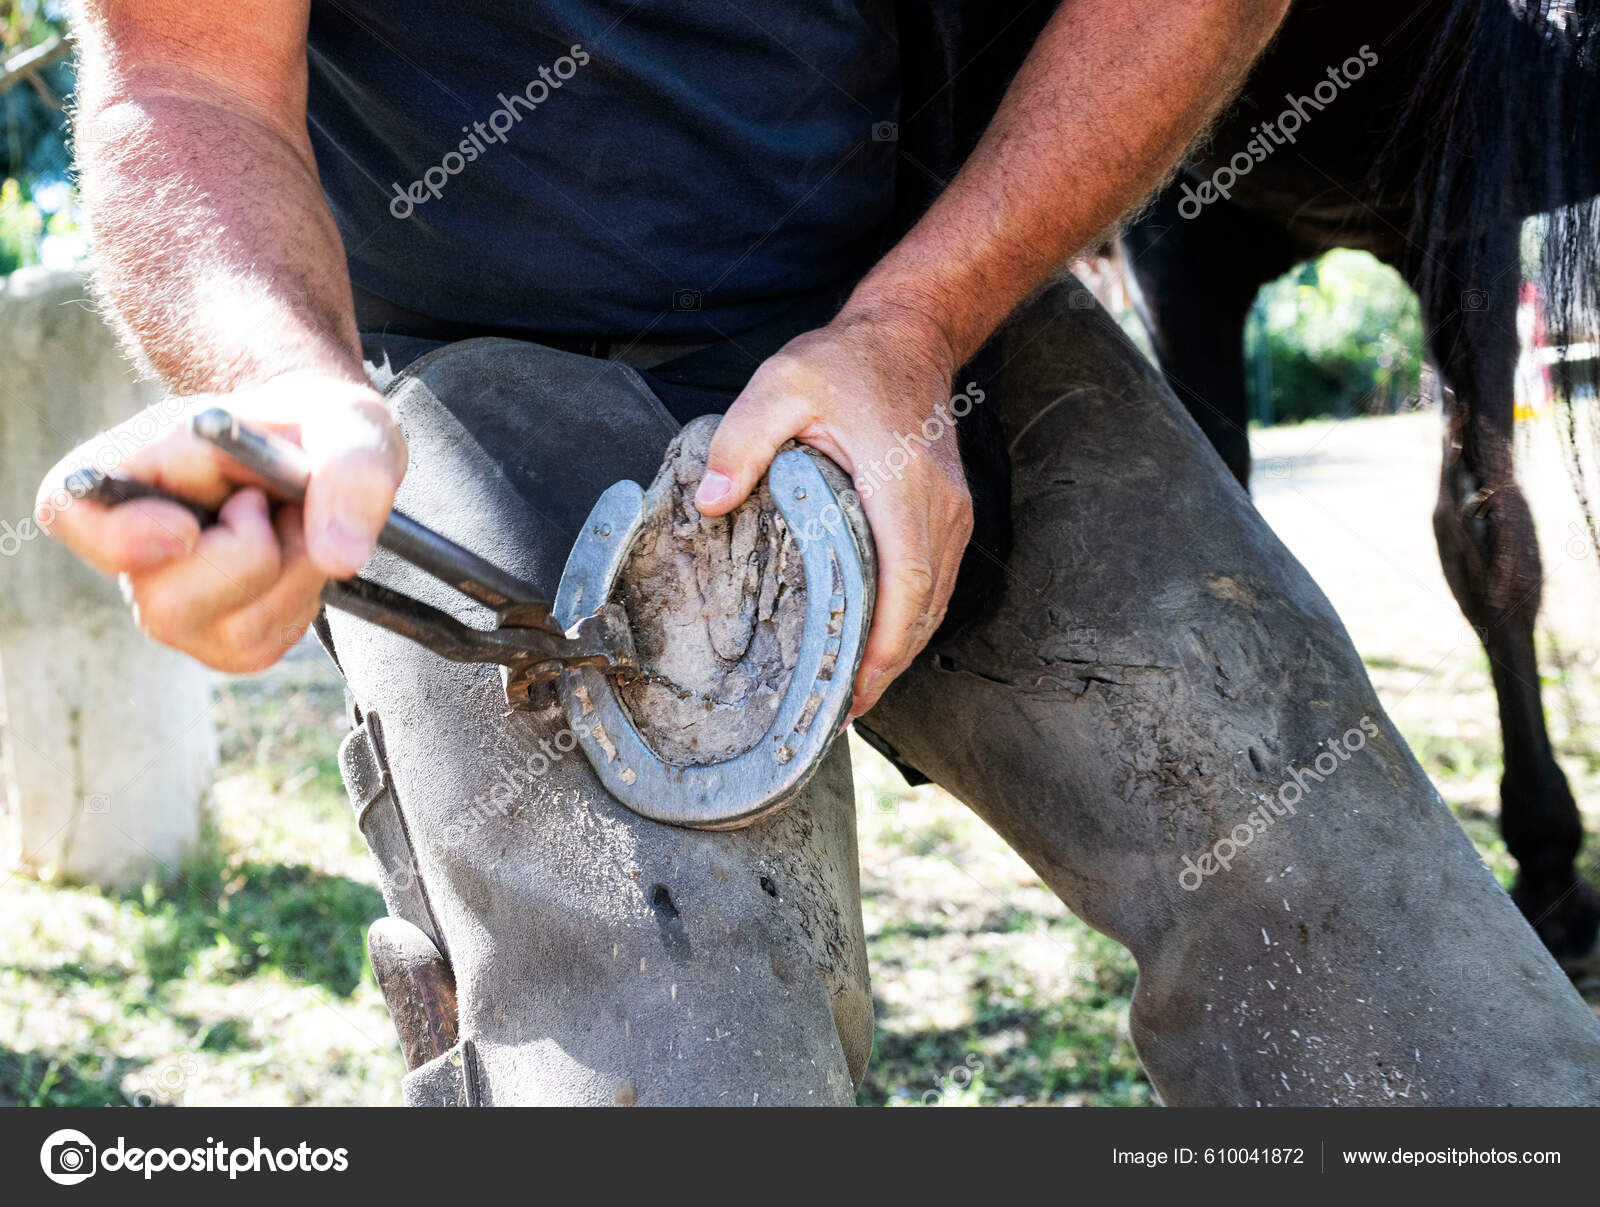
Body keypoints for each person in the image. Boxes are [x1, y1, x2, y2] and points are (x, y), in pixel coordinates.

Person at [39, 0, 1600, 1105]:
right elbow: (182, 74)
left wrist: (914, 332)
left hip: (936, 297)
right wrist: (291, 388)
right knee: (682, 1080)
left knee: (1443, 1037)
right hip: (490, 366)